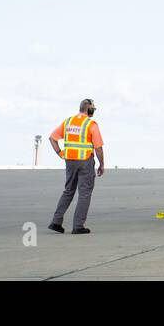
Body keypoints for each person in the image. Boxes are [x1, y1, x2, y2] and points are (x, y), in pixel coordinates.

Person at [48, 98, 104, 235]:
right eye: (93, 108)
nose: (94, 110)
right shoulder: (91, 124)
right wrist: (102, 164)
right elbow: (98, 148)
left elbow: (52, 138)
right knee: (84, 194)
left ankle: (56, 222)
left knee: (68, 191)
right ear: (88, 108)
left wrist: (61, 154)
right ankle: (78, 226)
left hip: (70, 161)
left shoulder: (68, 122)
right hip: (85, 162)